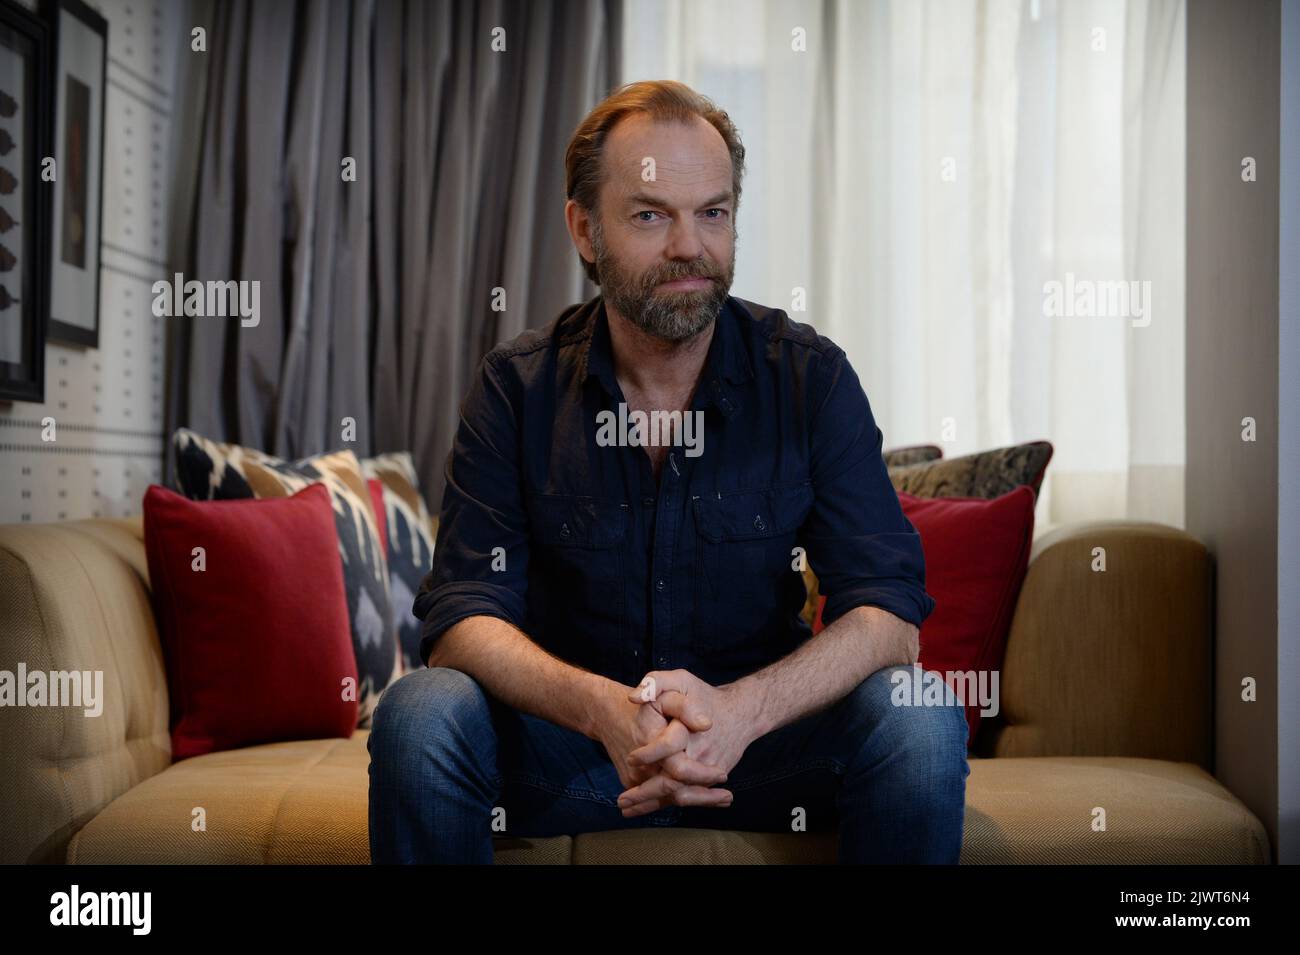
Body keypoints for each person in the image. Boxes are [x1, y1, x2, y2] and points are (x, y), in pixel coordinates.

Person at [368, 79, 969, 864]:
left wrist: (741, 712)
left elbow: (888, 611)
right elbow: (460, 619)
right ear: (585, 229)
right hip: (573, 755)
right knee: (421, 711)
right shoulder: (516, 389)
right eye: (651, 214)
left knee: (917, 713)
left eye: (713, 212)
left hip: (758, 754)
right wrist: (603, 709)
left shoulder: (809, 379)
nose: (690, 246)